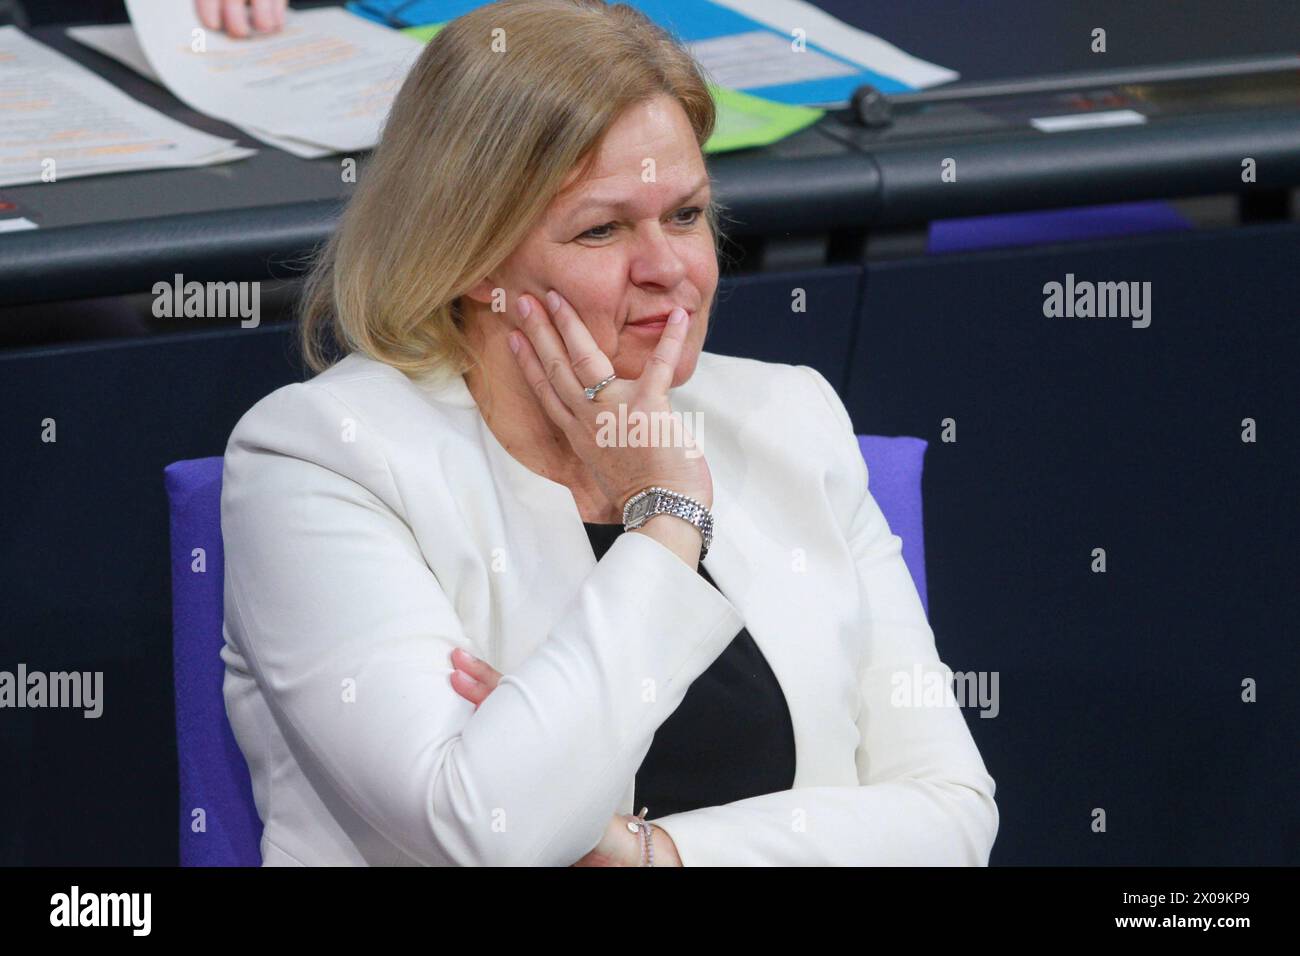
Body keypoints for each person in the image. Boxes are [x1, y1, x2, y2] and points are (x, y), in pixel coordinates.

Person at [219, 0, 999, 867]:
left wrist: (655, 853)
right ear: (474, 257)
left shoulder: (793, 421)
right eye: (603, 228)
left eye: (687, 215)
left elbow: (952, 820)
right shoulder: (325, 459)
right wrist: (666, 521)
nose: (670, 270)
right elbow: (484, 829)